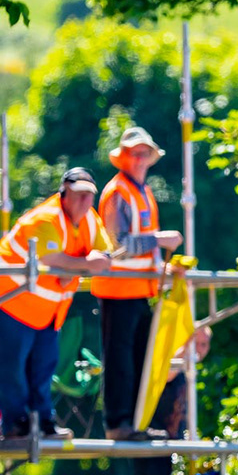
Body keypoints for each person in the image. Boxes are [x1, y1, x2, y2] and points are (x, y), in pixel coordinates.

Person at [0, 168, 113, 439]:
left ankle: (43, 422)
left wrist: (74, 267)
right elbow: (52, 260)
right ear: (64, 193)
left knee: (44, 367)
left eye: (88, 196)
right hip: (13, 303)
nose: (84, 202)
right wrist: (84, 264)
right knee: (12, 367)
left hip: (48, 311)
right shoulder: (45, 218)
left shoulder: (89, 220)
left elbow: (105, 254)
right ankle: (16, 424)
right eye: (78, 195)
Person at [93, 125, 184, 440]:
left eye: (144, 153)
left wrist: (164, 268)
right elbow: (119, 244)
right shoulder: (118, 193)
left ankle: (135, 423)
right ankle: (119, 424)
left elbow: (143, 247)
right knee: (120, 361)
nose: (140, 158)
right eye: (135, 153)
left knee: (139, 360)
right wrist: (159, 240)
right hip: (118, 289)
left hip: (139, 290)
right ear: (124, 158)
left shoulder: (143, 192)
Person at [137, 325, 212, 475]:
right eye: (195, 343)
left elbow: (185, 406)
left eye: (204, 345)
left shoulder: (189, 369)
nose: (199, 349)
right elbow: (167, 375)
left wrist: (190, 432)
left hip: (169, 435)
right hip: (152, 432)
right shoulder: (175, 360)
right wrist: (184, 351)